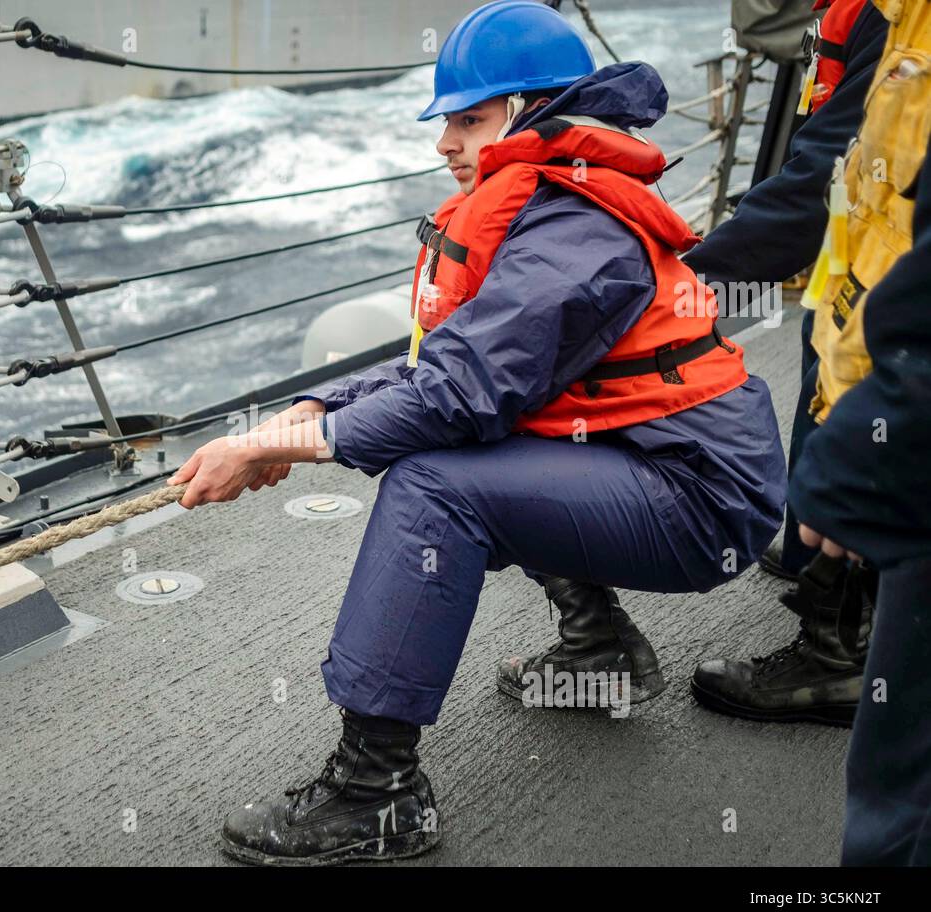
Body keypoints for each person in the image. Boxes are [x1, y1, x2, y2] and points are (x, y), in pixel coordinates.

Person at [168, 0, 786, 865]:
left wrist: (281, 446)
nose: (446, 144)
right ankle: (597, 648)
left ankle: (375, 793)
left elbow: (458, 393)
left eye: (467, 119)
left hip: (702, 503)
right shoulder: (550, 205)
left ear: (532, 111)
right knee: (472, 444)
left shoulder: (573, 228)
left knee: (436, 481)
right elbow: (455, 364)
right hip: (660, 463)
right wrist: (310, 412)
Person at [683, 0, 888, 725]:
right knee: (825, 361)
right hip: (857, 247)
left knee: (866, 407)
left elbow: (823, 173)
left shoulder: (900, 21)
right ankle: (814, 545)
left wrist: (685, 282)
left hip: (891, 259)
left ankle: (841, 657)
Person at [786, 0, 931, 864]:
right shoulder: (898, 20)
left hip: (901, 398)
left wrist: (875, 438)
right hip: (872, 362)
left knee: (900, 786)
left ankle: (828, 647)